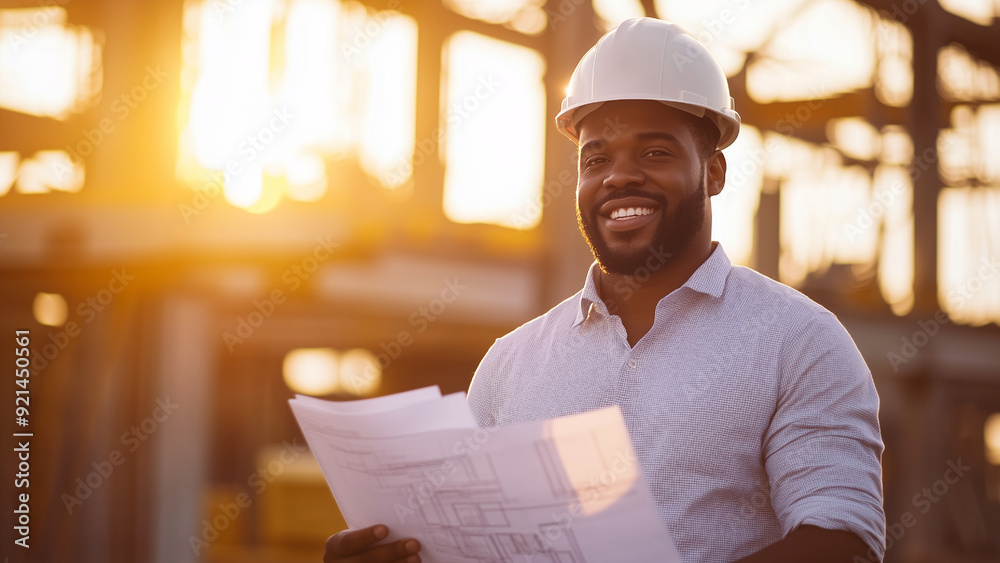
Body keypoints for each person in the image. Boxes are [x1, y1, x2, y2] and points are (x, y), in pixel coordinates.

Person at [323, 17, 886, 563]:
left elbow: (843, 542)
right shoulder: (509, 366)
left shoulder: (798, 341)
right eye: (596, 159)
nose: (618, 176)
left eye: (655, 152)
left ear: (714, 172)